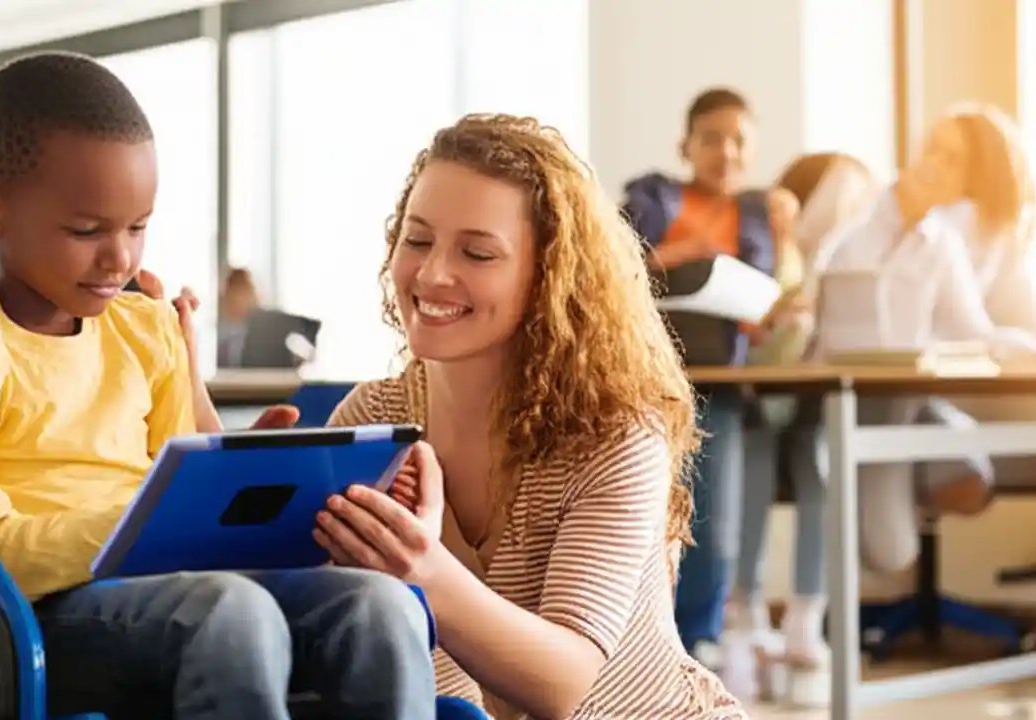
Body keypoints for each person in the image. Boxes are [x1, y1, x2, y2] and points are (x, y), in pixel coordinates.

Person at [0, 52, 435, 719]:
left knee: (375, 606)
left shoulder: (146, 330)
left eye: (138, 226)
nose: (120, 257)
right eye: (85, 230)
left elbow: (188, 488)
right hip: (40, 613)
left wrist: (247, 473)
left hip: (172, 581)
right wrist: (132, 525)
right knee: (230, 614)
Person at [313, 113, 746, 719]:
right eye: (417, 240)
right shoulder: (372, 418)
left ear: (549, 278)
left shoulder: (614, 435)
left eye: (478, 253)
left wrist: (424, 569)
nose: (433, 273)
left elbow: (560, 685)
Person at [811, 103, 1036, 580]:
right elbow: (846, 294)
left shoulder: (970, 236)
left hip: (939, 384)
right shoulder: (886, 220)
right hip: (879, 383)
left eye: (951, 158)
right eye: (930, 149)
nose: (932, 164)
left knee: (958, 469)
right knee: (931, 478)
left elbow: (974, 328)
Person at [621, 87, 777, 666]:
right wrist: (682, 249)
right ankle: (641, 642)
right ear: (685, 144)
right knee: (639, 514)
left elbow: (764, 306)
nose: (725, 151)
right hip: (647, 383)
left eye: (739, 140)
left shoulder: (759, 215)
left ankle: (697, 644)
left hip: (721, 387)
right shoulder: (652, 198)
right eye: (711, 137)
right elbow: (616, 265)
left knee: (713, 525)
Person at [729, 153, 881, 706]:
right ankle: (742, 617)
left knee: (820, 468)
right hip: (758, 398)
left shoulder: (849, 258)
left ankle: (804, 618)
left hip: (813, 401)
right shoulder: (758, 243)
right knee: (756, 458)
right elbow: (741, 337)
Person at [217, 267, 260, 367]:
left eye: (244, 293)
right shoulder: (215, 329)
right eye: (235, 292)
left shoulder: (263, 330)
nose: (239, 299)